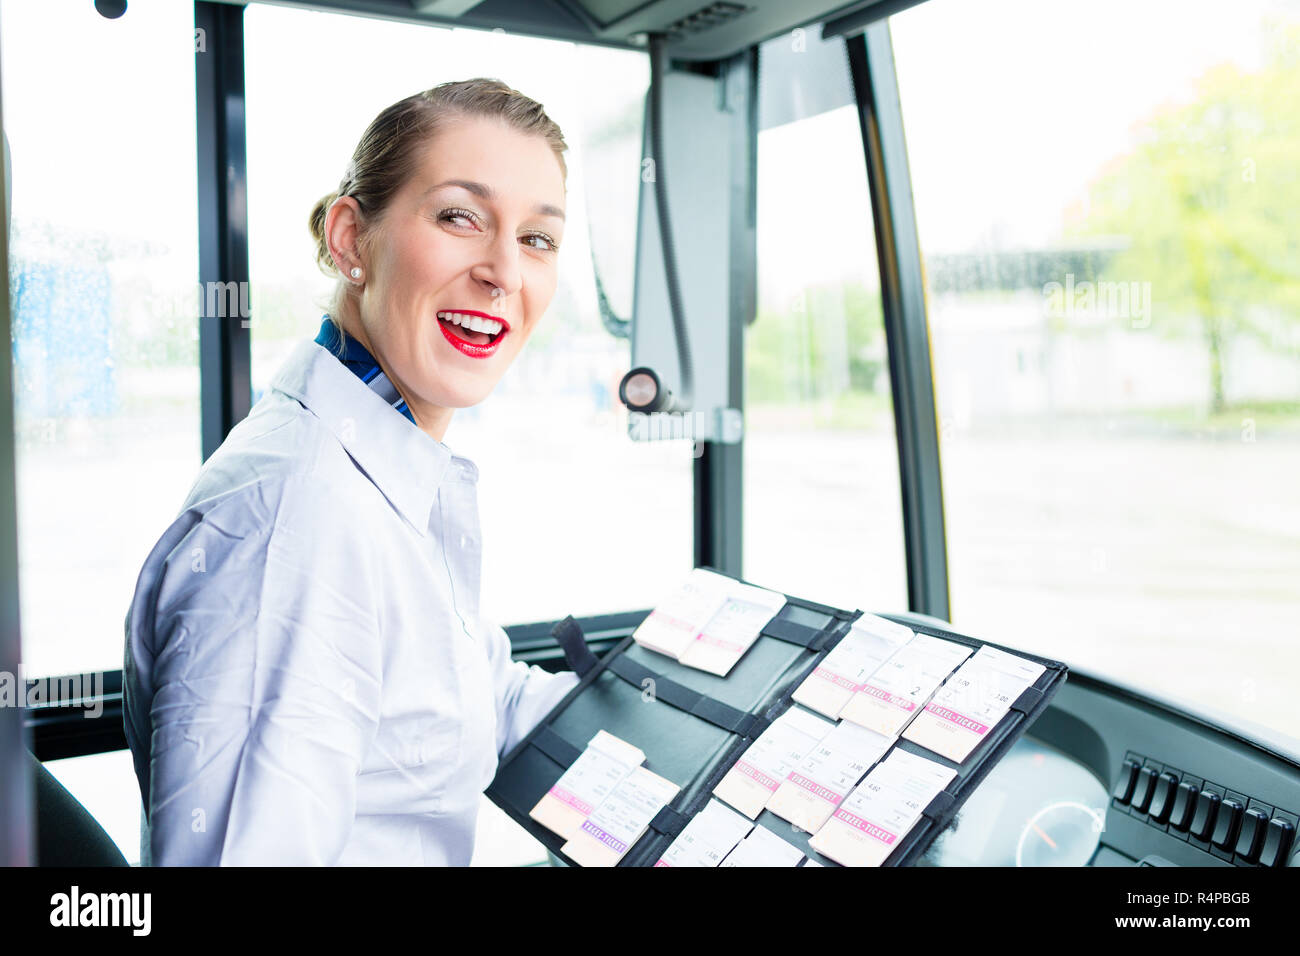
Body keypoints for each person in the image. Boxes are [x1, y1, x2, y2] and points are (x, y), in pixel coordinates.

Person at [123, 78, 579, 866]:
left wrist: (707, 717)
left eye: (537, 239)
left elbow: (478, 696)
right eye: (459, 217)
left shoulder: (382, 466)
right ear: (349, 240)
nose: (504, 270)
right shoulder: (294, 521)